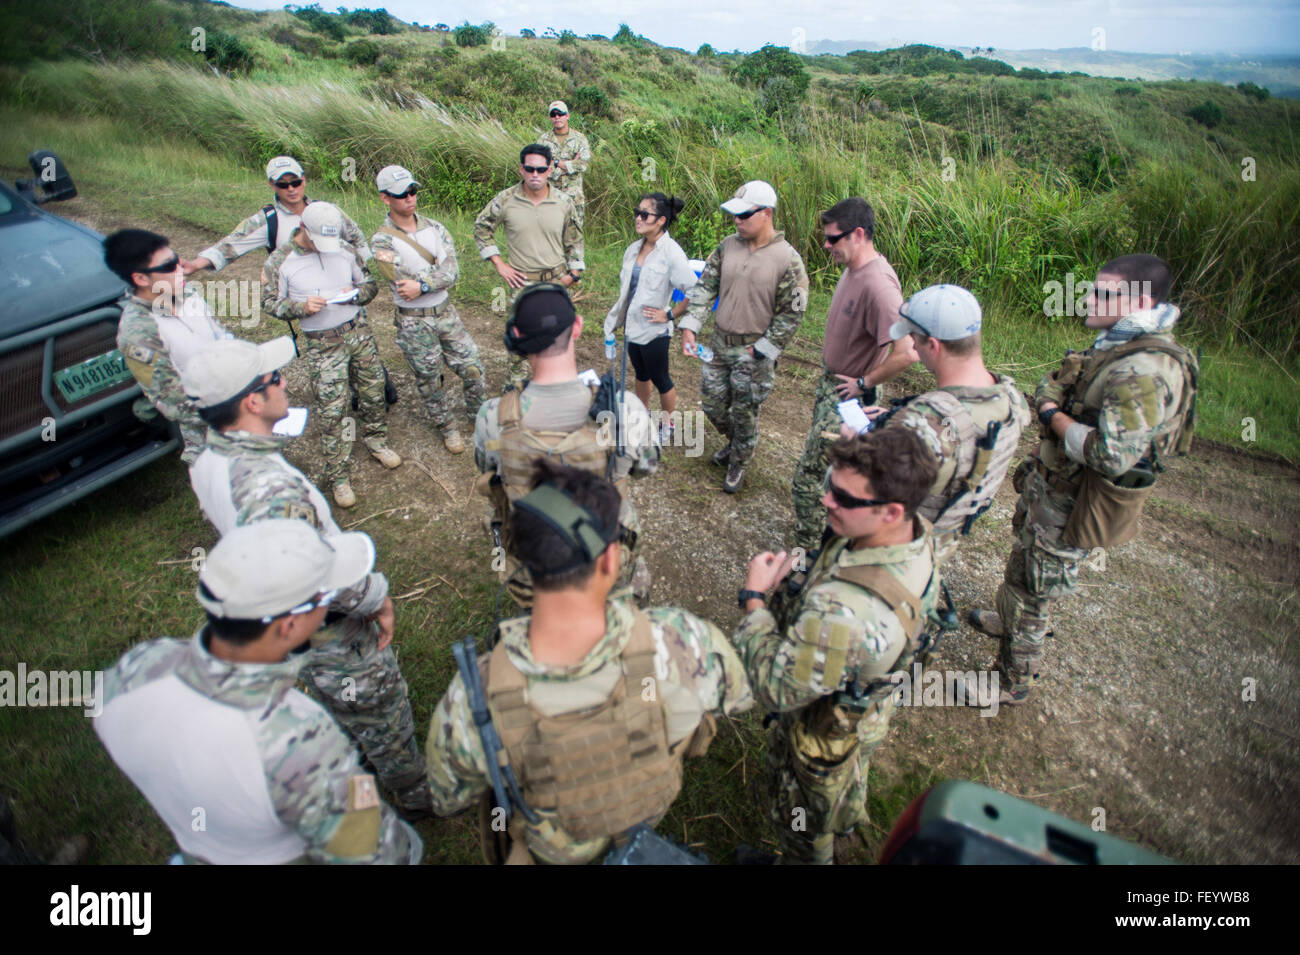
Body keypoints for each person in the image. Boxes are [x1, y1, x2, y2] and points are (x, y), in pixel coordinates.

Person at [425, 461, 753, 864]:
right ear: (611, 561)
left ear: (525, 563)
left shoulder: (474, 697)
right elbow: (737, 696)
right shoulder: (683, 640)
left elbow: (447, 796)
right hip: (644, 827)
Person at [181, 336, 434, 819]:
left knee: (337, 705)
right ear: (253, 401)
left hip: (283, 623)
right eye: (275, 378)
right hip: (330, 629)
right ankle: (415, 795)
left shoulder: (209, 458)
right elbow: (320, 575)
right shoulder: (271, 490)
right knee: (381, 713)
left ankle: (354, 765)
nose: (284, 382)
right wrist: (376, 598)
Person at [94, 519, 423, 864]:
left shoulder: (134, 670)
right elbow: (380, 854)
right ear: (291, 625)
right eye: (326, 595)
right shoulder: (299, 741)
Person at [968, 255, 1198, 705]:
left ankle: (1011, 681)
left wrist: (1051, 416)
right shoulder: (1120, 343)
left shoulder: (1143, 370)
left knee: (1038, 586)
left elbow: (1111, 455)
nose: (1088, 299)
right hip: (1055, 487)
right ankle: (1009, 618)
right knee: (1026, 563)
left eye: (1102, 293)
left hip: (1075, 500)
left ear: (1139, 301)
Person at [733, 427, 941, 864]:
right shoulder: (916, 532)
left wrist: (754, 601)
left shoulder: (842, 612)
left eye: (845, 499)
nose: (827, 500)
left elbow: (779, 688)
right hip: (863, 703)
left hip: (824, 727)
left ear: (891, 511)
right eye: (831, 485)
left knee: (803, 818)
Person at [474, 284, 658, 609]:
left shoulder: (493, 416)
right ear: (577, 327)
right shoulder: (624, 408)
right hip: (605, 552)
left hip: (537, 559)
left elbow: (489, 469)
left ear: (517, 341)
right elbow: (646, 467)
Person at [861, 285, 1030, 567]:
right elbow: (963, 445)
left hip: (892, 555)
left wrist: (858, 442)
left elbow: (864, 496)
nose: (912, 347)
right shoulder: (1013, 401)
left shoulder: (924, 422)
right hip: (941, 541)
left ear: (933, 345)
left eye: (914, 339)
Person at [791, 198, 916, 552]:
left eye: (833, 239)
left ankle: (810, 553)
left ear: (858, 234)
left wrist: (864, 383)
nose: (826, 245)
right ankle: (828, 541)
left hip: (849, 398)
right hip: (833, 386)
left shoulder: (879, 285)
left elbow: (907, 353)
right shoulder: (854, 268)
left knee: (810, 479)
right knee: (832, 472)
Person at [261, 201, 400, 509]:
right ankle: (338, 475)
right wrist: (300, 308)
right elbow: (270, 303)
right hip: (323, 345)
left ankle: (376, 441)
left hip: (358, 333)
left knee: (374, 391)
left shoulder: (345, 248)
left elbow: (370, 287)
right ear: (303, 230)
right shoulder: (280, 261)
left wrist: (355, 294)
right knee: (332, 409)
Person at [679, 180, 808, 494]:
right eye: (734, 215)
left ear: (766, 213)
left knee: (744, 410)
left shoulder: (788, 260)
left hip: (754, 352)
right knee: (712, 405)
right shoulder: (727, 246)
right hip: (720, 343)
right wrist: (691, 325)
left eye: (743, 215)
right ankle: (737, 443)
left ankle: (739, 459)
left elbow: (793, 313)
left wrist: (762, 351)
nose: (736, 221)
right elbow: (705, 287)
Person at [370, 164, 485, 455]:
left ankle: (478, 418)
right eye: (402, 194)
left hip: (446, 313)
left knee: (473, 368)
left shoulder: (435, 228)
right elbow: (398, 280)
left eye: (413, 191)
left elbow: (453, 273)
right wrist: (434, 277)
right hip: (413, 323)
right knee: (429, 378)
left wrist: (422, 284)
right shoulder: (382, 241)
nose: (410, 198)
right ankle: (447, 427)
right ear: (385, 198)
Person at [105, 228, 233, 464]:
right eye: (168, 267)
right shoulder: (138, 333)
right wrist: (236, 411)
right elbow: (171, 400)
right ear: (140, 278)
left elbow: (220, 336)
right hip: (211, 432)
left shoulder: (188, 293)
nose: (180, 269)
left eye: (176, 260)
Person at [474, 144, 586, 385]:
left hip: (557, 282)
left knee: (558, 338)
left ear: (549, 171)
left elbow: (574, 238)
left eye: (541, 169)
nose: (535, 174)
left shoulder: (564, 202)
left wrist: (574, 273)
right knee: (521, 343)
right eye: (529, 168)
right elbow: (482, 229)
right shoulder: (505, 200)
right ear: (521, 169)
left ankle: (553, 387)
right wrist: (498, 263)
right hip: (522, 283)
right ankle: (515, 390)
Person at [602, 193, 696, 445]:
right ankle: (641, 418)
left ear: (661, 220)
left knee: (660, 378)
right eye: (637, 212)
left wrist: (670, 314)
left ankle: (668, 424)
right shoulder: (634, 248)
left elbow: (695, 291)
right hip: (632, 327)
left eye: (645, 214)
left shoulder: (672, 253)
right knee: (640, 374)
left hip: (655, 331)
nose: (638, 218)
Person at [181, 156, 370, 275]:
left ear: (304, 180)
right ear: (272, 184)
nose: (291, 189)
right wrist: (195, 265)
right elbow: (230, 245)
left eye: (295, 182)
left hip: (338, 282)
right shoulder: (268, 220)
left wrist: (362, 272)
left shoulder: (327, 210)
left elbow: (356, 237)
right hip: (300, 293)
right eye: (283, 184)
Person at [536, 100, 592, 225]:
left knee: (573, 238)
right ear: (550, 118)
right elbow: (539, 166)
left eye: (560, 114)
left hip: (573, 198)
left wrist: (555, 162)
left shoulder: (580, 139)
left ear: (567, 116)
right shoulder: (543, 140)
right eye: (553, 114)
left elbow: (583, 165)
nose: (557, 117)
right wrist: (570, 165)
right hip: (550, 197)